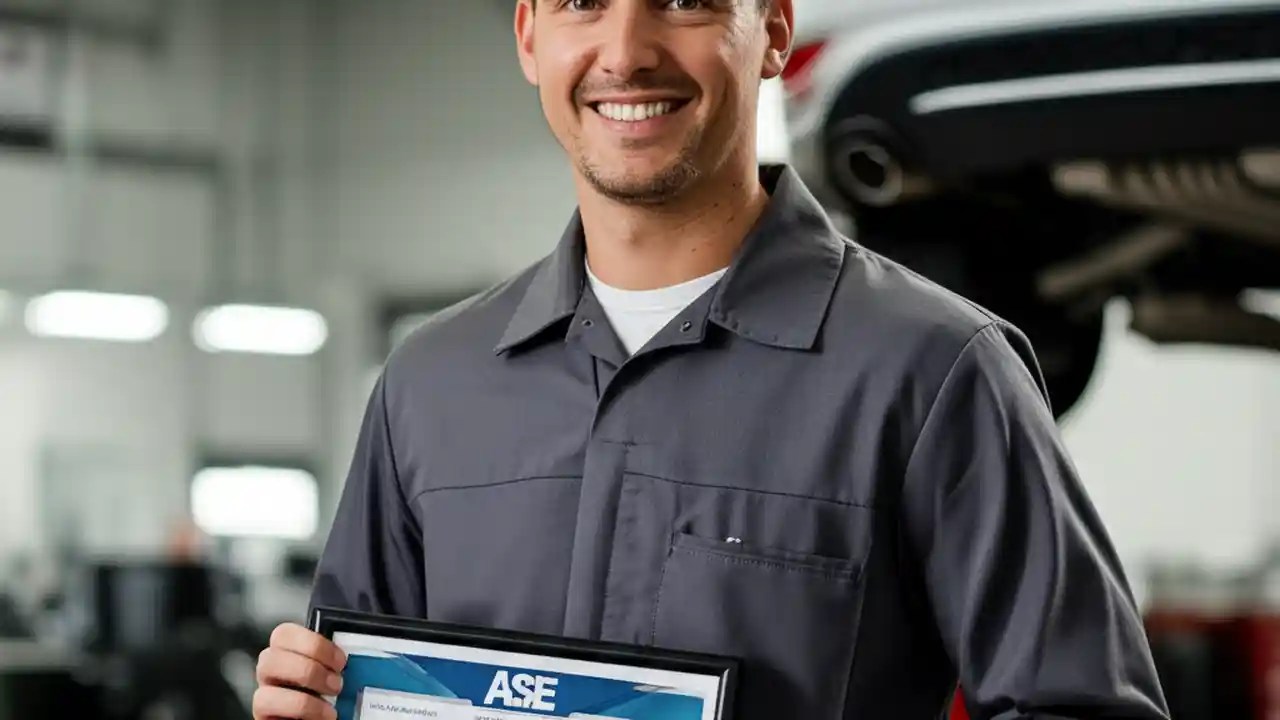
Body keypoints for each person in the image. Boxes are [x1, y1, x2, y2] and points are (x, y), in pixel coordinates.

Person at [253, 0, 1171, 718]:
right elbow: (358, 682)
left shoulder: (935, 373)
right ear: (530, 39)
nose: (626, 52)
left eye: (685, 2)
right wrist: (310, 699)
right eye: (581, 4)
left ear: (771, 30)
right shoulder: (430, 384)